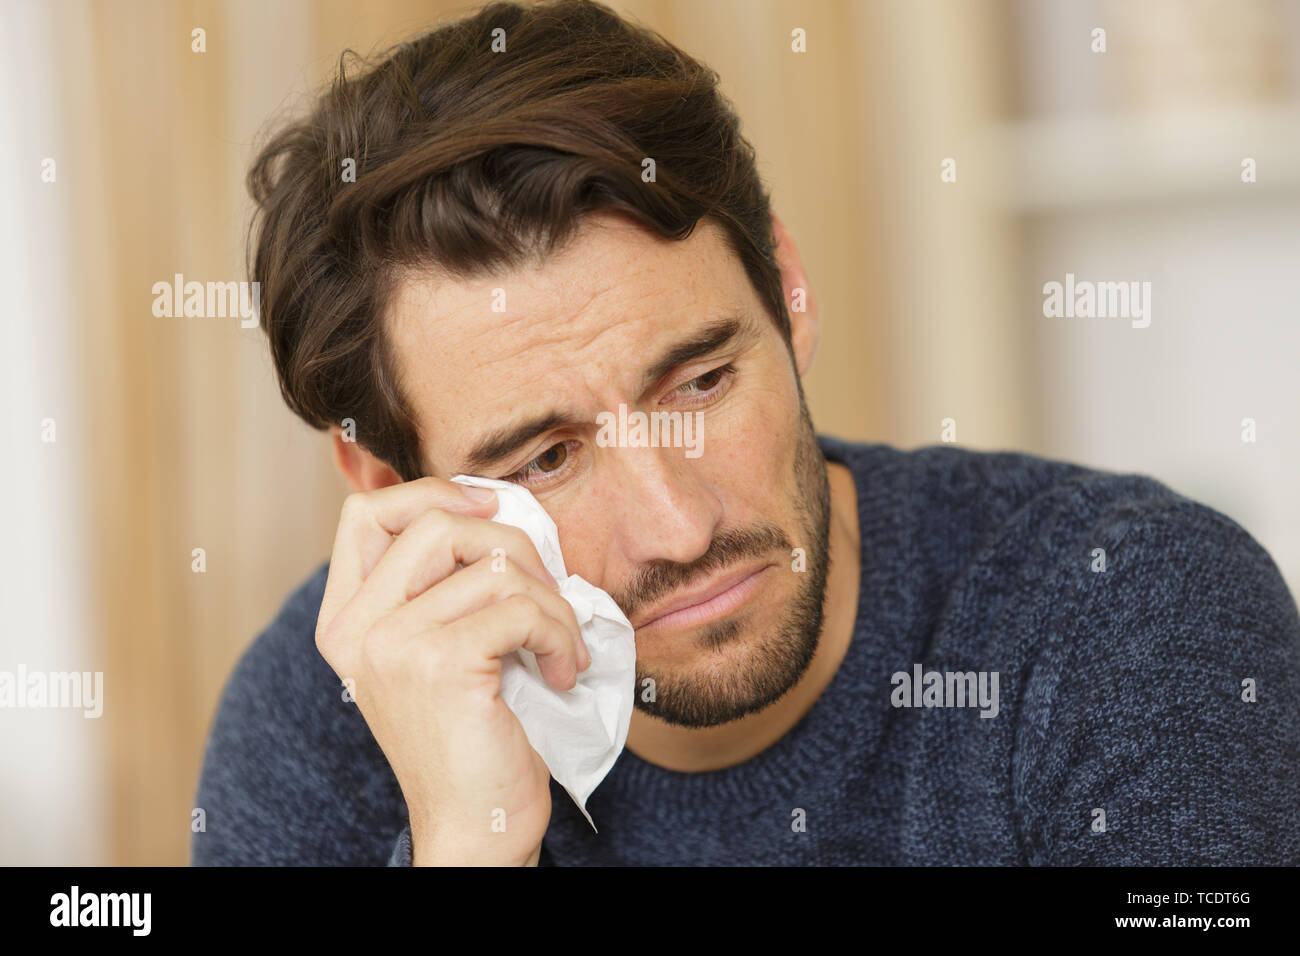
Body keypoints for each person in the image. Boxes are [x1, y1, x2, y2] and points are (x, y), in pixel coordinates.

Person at [192, 0, 1300, 866]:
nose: (679, 527)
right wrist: (472, 840)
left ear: (789, 288)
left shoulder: (1129, 612)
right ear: (392, 480)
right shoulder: (323, 718)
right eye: (547, 457)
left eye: (700, 381)